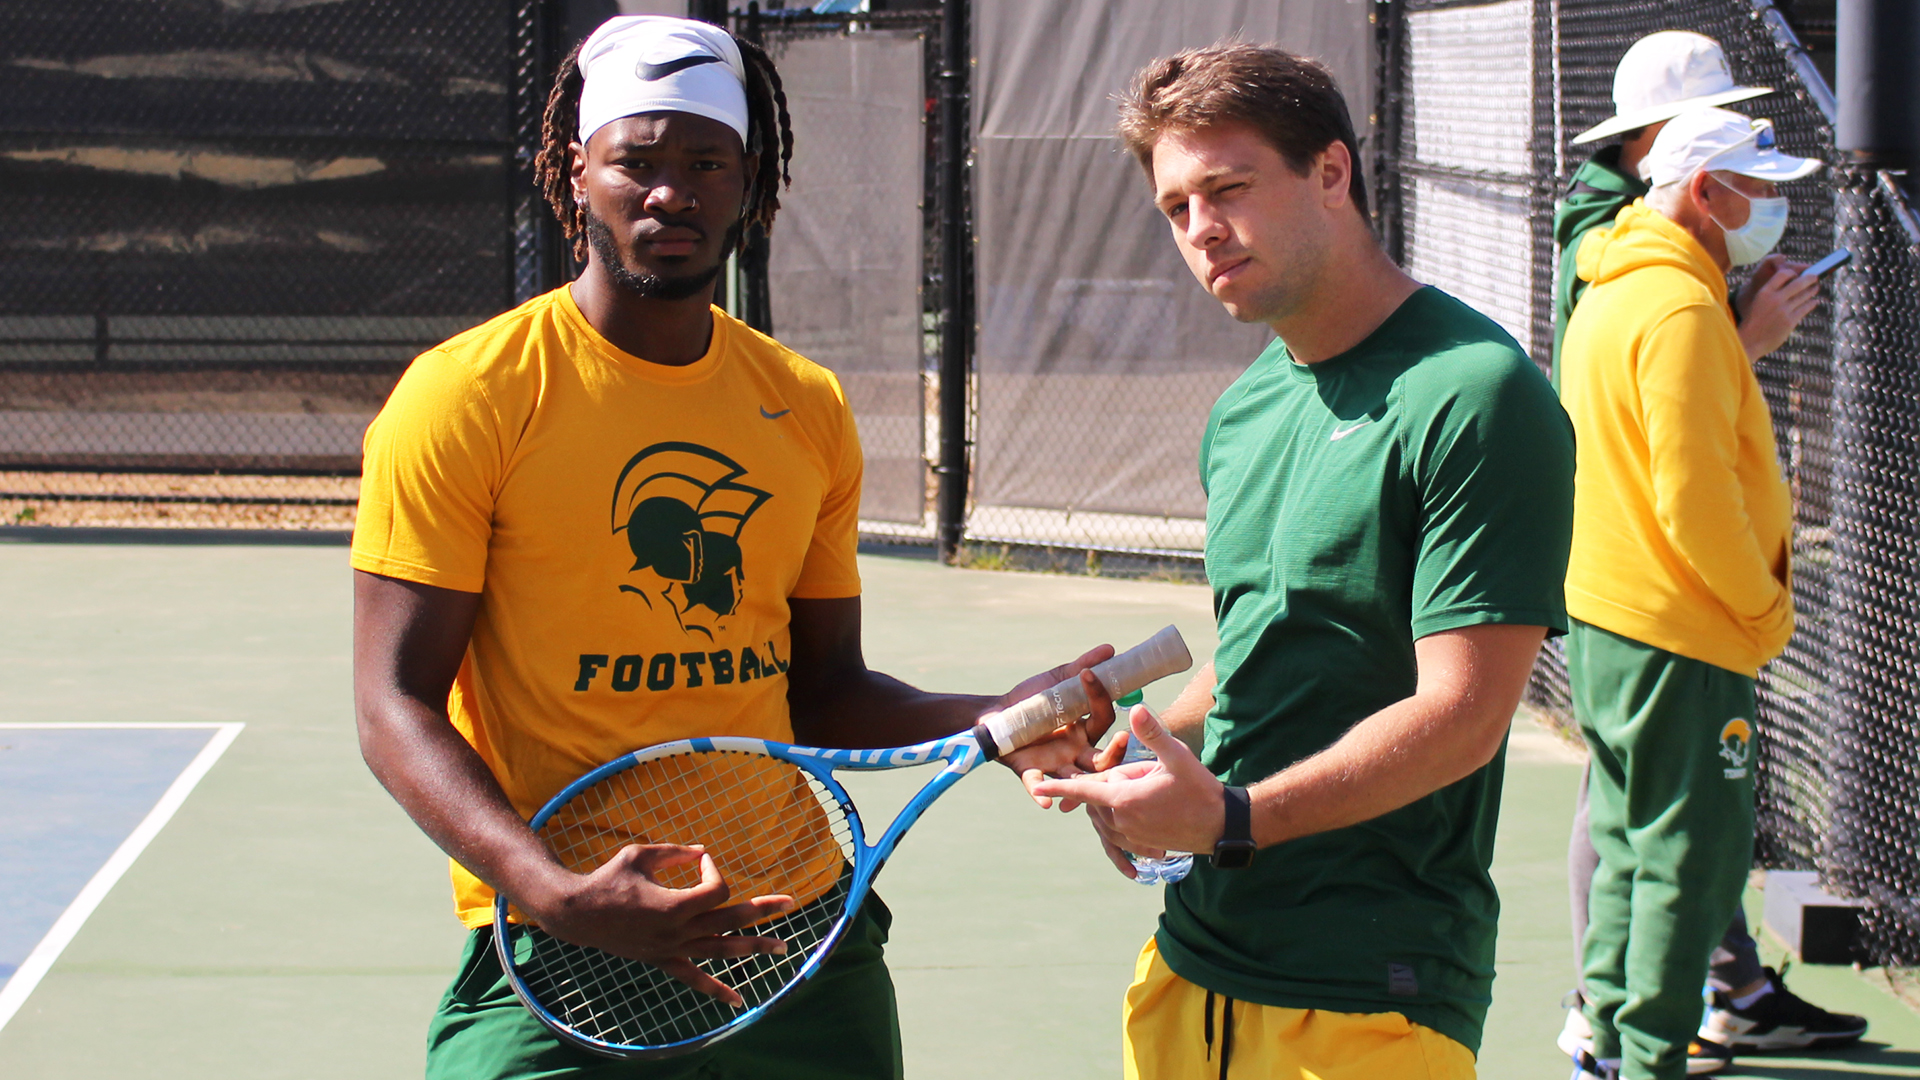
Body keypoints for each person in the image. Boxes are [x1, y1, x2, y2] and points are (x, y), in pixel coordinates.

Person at [350, 16, 1108, 1080]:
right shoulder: (468, 397)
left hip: (799, 941)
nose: (672, 194)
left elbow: (823, 690)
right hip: (565, 944)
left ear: (753, 182)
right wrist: (549, 888)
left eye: (706, 163)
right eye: (638, 162)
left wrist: (989, 717)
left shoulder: (802, 406)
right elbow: (394, 704)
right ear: (578, 171)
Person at [1031, 42, 1575, 1080]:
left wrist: (1229, 819)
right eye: (1176, 207)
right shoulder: (1244, 411)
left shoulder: (1475, 393)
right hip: (1189, 966)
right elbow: (1264, 648)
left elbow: (1463, 714)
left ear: (1331, 173)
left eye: (1227, 189)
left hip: (1370, 997)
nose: (1201, 231)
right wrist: (1138, 747)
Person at [1553, 33, 1865, 1073]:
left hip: (1615, 620)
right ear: (1700, 191)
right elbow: (1697, 501)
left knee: (1637, 855)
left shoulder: (1611, 287)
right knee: (1687, 861)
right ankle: (1643, 1057)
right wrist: (1762, 613)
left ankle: (1610, 1043)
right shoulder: (1681, 306)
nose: (1768, 208)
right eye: (1750, 189)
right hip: (1680, 633)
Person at [1553, 30, 1815, 387]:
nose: (1724, 126)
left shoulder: (1634, 217)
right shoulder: (1609, 239)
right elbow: (1642, 378)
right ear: (1664, 125)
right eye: (1712, 115)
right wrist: (1750, 340)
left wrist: (1738, 307)